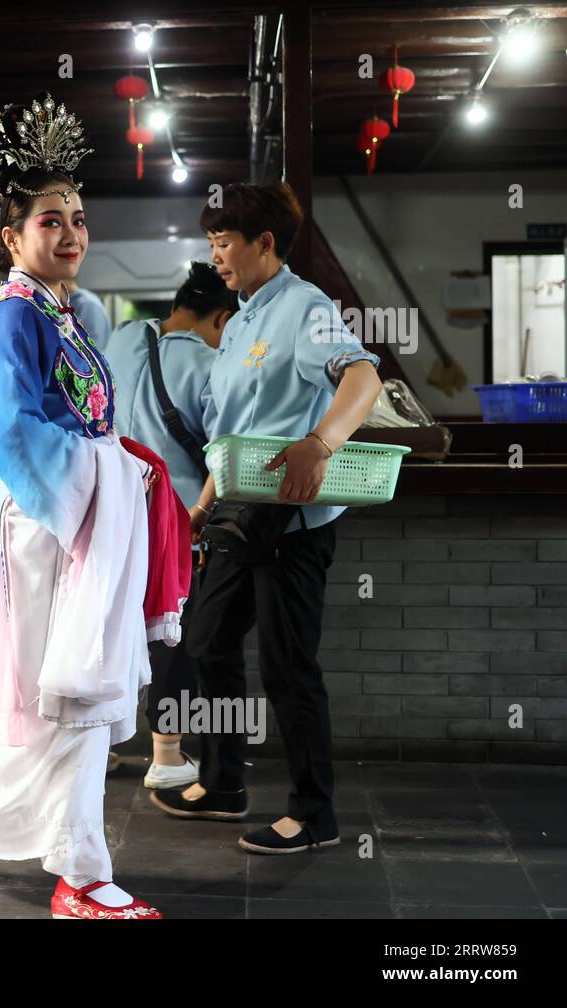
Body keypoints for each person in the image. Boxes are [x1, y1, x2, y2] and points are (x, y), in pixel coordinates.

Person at [0, 93, 174, 921]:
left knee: (58, 707)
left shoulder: (67, 314)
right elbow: (17, 435)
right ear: (11, 237)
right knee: (70, 695)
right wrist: (108, 474)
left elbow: (87, 423)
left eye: (80, 217)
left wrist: (123, 466)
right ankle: (81, 876)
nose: (73, 232)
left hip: (80, 522)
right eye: (51, 220)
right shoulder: (15, 317)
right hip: (46, 527)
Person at [149, 181, 383, 855]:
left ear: (264, 244)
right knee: (206, 641)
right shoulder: (244, 314)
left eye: (223, 243)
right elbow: (234, 428)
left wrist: (321, 444)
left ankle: (315, 813)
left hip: (293, 524)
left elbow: (362, 377)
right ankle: (223, 780)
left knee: (287, 667)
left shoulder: (305, 308)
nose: (215, 257)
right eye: (211, 243)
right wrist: (201, 505)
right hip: (236, 512)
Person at [103, 262, 236, 789]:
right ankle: (166, 755)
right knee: (170, 635)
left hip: (110, 513)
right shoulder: (207, 363)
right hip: (177, 524)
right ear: (220, 318)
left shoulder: (119, 342)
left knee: (107, 631)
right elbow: (225, 448)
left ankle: (96, 747)